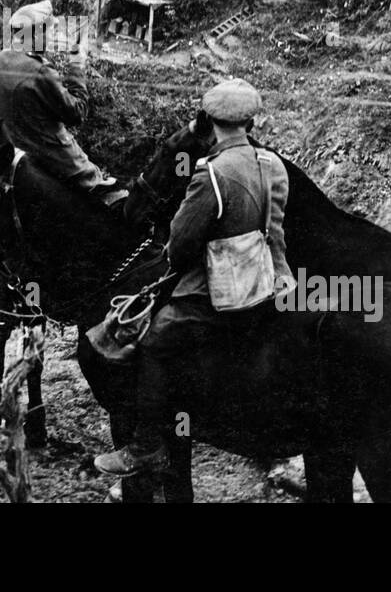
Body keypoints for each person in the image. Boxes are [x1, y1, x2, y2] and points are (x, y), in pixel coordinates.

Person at [95, 79, 293, 477]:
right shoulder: (272, 166)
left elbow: (179, 247)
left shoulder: (211, 174)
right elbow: (275, 229)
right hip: (265, 280)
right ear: (250, 123)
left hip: (219, 291)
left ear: (210, 122)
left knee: (154, 340)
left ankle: (147, 445)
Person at [0, 0, 124, 207]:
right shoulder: (40, 72)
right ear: (35, 35)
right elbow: (77, 112)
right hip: (55, 163)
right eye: (50, 31)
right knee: (112, 200)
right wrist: (77, 65)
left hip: (8, 163)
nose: (53, 37)